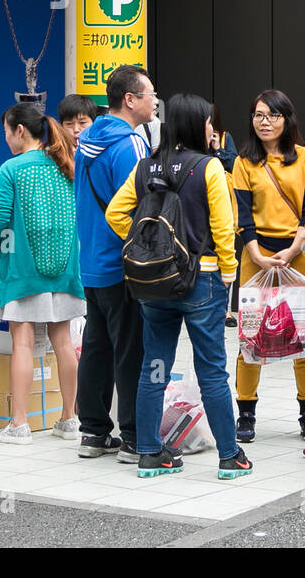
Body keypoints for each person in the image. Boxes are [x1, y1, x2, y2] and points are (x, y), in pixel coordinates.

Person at [106, 94, 249, 480]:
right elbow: (223, 227)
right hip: (202, 280)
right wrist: (228, 272)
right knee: (212, 371)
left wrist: (144, 247)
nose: (212, 129)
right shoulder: (208, 168)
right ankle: (230, 456)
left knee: (154, 367)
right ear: (195, 125)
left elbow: (116, 212)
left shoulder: (145, 165)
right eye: (207, 122)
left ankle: (150, 453)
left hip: (155, 283)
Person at [0, 104, 82, 444]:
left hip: (24, 267)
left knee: (22, 343)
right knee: (64, 342)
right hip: (66, 266)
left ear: (20, 131)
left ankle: (19, 424)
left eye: (6, 131)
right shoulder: (67, 161)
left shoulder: (13, 168)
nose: (6, 137)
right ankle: (69, 419)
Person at [73, 65, 156, 462]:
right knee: (130, 349)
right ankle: (135, 437)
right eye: (150, 93)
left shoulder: (86, 138)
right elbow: (141, 205)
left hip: (90, 258)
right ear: (131, 99)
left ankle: (92, 431)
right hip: (125, 262)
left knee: (96, 346)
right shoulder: (130, 145)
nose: (155, 100)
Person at [230, 89, 305, 444]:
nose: (265, 121)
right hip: (255, 257)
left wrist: (296, 246)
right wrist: (255, 253)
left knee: (303, 338)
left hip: (299, 256)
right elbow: (242, 215)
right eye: (258, 115)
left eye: (272, 115)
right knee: (250, 338)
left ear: (287, 119)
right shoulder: (243, 162)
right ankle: (246, 413)